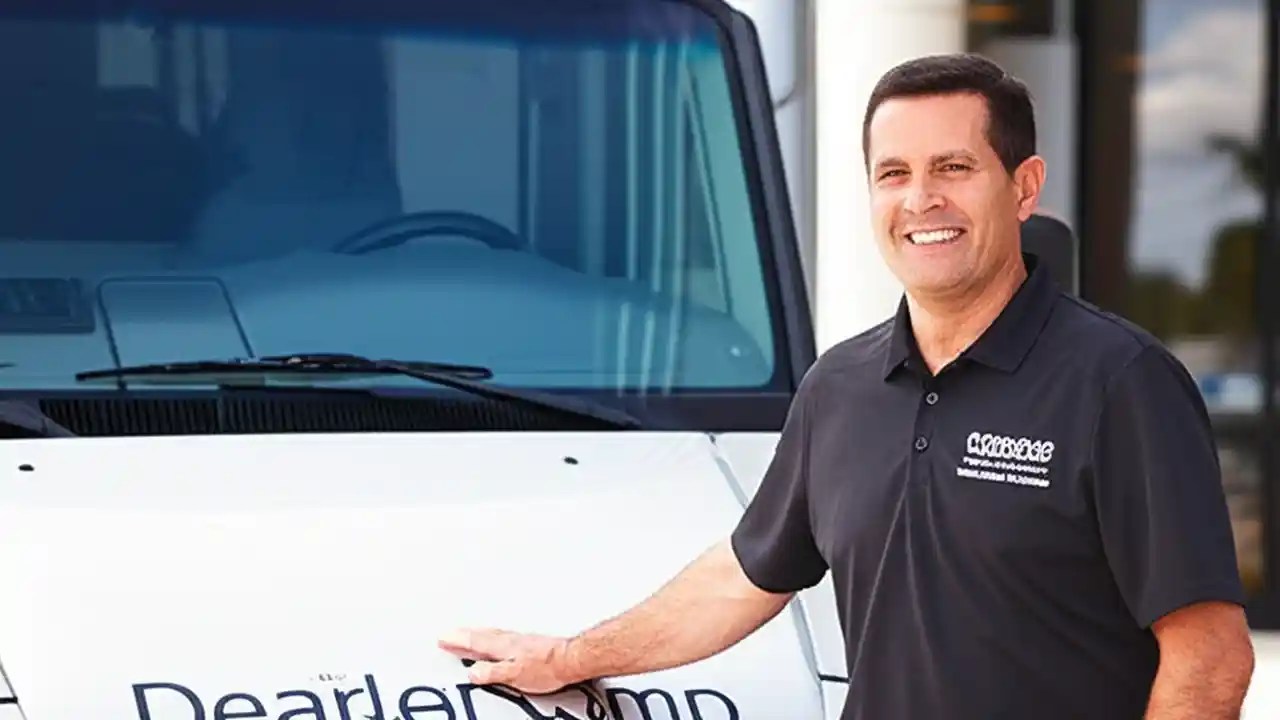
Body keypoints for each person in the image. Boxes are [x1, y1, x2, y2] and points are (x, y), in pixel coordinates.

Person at [438, 53, 1256, 719]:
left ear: (1025, 185)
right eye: (892, 172)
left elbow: (1209, 656)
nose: (920, 199)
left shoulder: (1120, 382)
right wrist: (570, 657)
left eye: (955, 166)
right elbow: (743, 576)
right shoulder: (841, 387)